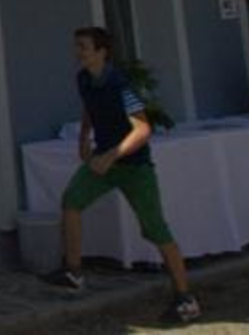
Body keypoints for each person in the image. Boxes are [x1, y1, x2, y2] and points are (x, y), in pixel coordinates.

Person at [44, 26, 199, 324]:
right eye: (76, 46)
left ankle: (185, 298)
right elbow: (89, 108)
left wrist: (111, 155)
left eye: (83, 47)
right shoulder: (84, 79)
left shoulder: (120, 84)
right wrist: (83, 138)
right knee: (71, 200)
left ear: (101, 52)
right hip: (103, 160)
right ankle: (74, 272)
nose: (77, 52)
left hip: (134, 166)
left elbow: (142, 129)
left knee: (155, 229)